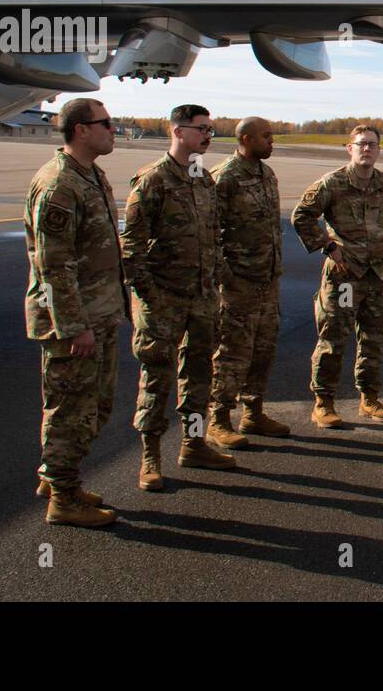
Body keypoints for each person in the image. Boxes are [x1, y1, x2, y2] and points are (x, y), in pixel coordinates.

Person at [122, 104, 236, 491]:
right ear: (177, 130)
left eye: (211, 130)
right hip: (164, 299)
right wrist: (150, 297)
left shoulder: (203, 180)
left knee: (199, 375)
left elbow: (214, 237)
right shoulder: (153, 180)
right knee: (157, 377)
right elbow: (131, 247)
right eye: (202, 129)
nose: (208, 135)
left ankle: (193, 442)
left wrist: (217, 283)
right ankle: (150, 457)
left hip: (202, 299)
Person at [24, 98, 125, 527]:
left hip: (98, 314)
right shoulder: (59, 185)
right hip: (74, 322)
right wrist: (73, 327)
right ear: (81, 129)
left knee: (94, 406)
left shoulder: (91, 175)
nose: (113, 130)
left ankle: (62, 478)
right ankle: (63, 498)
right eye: (106, 123)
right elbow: (53, 266)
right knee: (71, 409)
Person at [291, 125, 383, 428]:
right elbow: (302, 215)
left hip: (377, 276)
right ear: (349, 148)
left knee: (374, 339)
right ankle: (324, 403)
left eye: (372, 145)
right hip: (344, 276)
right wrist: (328, 247)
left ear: (378, 150)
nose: (367, 150)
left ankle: (370, 399)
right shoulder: (332, 183)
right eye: (361, 144)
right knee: (334, 338)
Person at [206, 117, 290, 450]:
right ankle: (218, 418)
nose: (272, 141)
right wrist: (225, 275)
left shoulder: (266, 174)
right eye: (266, 136)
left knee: (263, 349)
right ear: (245, 138)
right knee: (231, 352)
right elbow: (210, 231)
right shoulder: (225, 177)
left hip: (268, 280)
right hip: (238, 282)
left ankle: (253, 412)